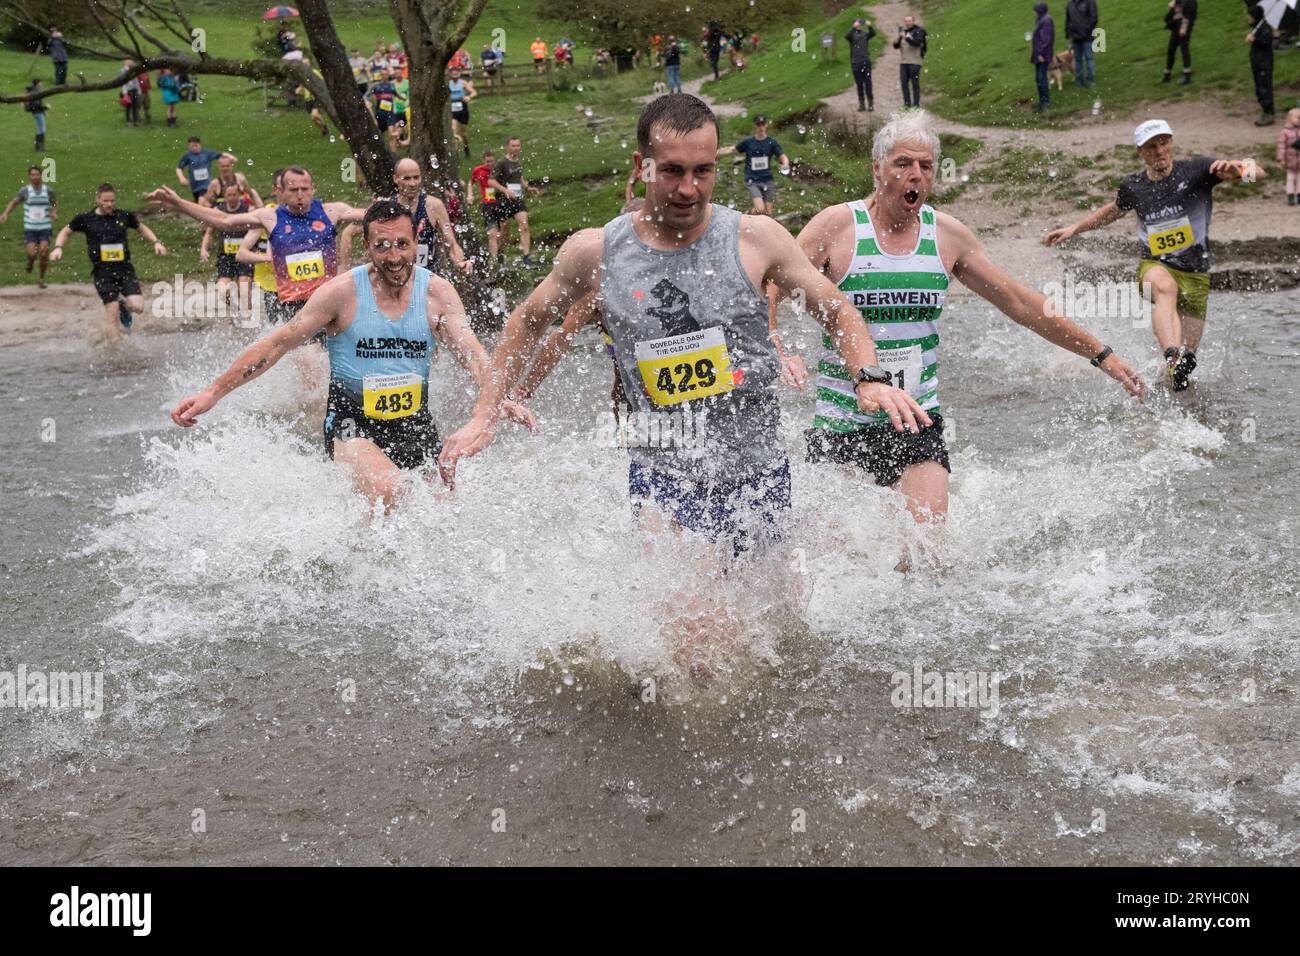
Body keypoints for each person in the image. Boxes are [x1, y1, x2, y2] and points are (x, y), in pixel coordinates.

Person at [439, 94, 924, 575]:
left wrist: (869, 376)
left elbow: (838, 309)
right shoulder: (598, 252)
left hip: (756, 471)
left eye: (704, 171)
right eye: (672, 171)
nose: (689, 188)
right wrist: (484, 413)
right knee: (693, 632)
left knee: (773, 635)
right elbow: (527, 321)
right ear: (642, 165)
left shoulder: (756, 239)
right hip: (661, 472)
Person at [800, 110, 1142, 531]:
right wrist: (777, 346)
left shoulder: (947, 236)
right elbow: (775, 284)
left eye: (926, 166)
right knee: (843, 563)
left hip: (915, 420)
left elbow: (1019, 302)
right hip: (843, 422)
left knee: (929, 554)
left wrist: (1099, 353)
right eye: (903, 164)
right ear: (877, 168)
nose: (916, 176)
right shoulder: (836, 226)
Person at [168, 200, 534, 510]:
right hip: (351, 425)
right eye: (382, 246)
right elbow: (278, 343)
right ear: (367, 246)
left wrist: (497, 398)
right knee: (391, 490)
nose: (394, 258)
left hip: (414, 423)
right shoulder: (341, 293)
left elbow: (471, 353)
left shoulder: (437, 293)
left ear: (416, 241)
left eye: (402, 245)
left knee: (441, 508)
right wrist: (213, 392)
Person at [1045, 119, 1264, 390]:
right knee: (1165, 289)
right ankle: (1170, 354)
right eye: (1151, 147)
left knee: (1185, 367)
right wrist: (1075, 228)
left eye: (1163, 143)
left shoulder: (1196, 171)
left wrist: (1240, 168)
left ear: (1171, 143)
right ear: (1140, 152)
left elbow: (1259, 173)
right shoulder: (1134, 186)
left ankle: (1161, 390)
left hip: (1197, 273)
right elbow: (1113, 210)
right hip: (1155, 265)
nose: (1159, 151)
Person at [148, 166, 370, 391]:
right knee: (311, 367)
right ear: (280, 190)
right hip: (295, 308)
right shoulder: (270, 216)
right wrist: (179, 204)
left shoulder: (333, 211)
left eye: (305, 189)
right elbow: (224, 220)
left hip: (330, 303)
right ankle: (312, 416)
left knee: (346, 366)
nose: (300, 195)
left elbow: (375, 217)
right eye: (293, 189)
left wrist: (399, 205)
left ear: (313, 188)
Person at [49, 183, 168, 339]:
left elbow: (142, 228)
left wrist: (156, 242)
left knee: (138, 307)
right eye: (106, 201)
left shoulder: (123, 216)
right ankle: (114, 354)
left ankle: (124, 306)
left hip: (125, 270)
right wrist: (58, 247)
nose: (109, 204)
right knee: (112, 315)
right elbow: (65, 231)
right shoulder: (86, 219)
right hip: (102, 273)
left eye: (112, 200)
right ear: (98, 199)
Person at [389, 157, 471, 274]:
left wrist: (460, 261)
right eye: (407, 178)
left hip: (425, 276)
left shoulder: (434, 206)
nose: (413, 183)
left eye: (416, 177)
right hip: (394, 276)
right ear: (396, 179)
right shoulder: (387, 206)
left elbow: (451, 243)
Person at [236, 169, 284, 327]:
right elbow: (241, 253)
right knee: (279, 332)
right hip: (272, 286)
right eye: (281, 187)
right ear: (275, 190)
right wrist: (266, 258)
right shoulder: (266, 215)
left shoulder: (308, 213)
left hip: (304, 285)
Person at [200, 181, 255, 318]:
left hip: (244, 256)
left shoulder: (247, 209)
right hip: (226, 257)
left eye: (234, 194)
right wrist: (204, 249)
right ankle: (234, 310)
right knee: (222, 290)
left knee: (244, 289)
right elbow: (209, 232)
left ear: (239, 195)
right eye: (229, 195)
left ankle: (247, 314)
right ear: (225, 196)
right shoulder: (219, 211)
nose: (232, 197)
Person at [717, 115, 790, 217]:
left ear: (766, 125)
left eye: (763, 124)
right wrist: (717, 153)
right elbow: (732, 149)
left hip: (767, 180)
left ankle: (749, 218)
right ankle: (747, 219)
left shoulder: (771, 143)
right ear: (754, 126)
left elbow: (783, 157)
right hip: (752, 180)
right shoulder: (748, 142)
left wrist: (785, 164)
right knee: (760, 209)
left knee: (768, 212)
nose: (761, 127)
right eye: (758, 124)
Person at [0, 165, 57, 288]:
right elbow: (14, 203)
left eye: (37, 174)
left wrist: (54, 212)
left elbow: (54, 203)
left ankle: (41, 279)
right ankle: (30, 263)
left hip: (44, 227)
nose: (35, 177)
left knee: (43, 252)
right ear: (29, 176)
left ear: (41, 175)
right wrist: (5, 214)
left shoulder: (48, 190)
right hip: (30, 228)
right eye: (33, 175)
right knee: (32, 254)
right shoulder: (25, 191)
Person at [488, 137, 540, 267]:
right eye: (513, 146)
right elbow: (491, 181)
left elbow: (519, 178)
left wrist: (528, 188)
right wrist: (505, 190)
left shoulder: (518, 162)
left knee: (524, 225)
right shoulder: (501, 163)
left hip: (517, 199)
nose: (516, 148)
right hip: (503, 200)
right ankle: (500, 252)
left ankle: (526, 257)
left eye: (518, 146)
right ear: (508, 146)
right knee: (505, 231)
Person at [468, 149, 502, 263]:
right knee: (492, 233)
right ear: (484, 161)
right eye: (487, 162)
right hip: (487, 203)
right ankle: (494, 260)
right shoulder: (478, 170)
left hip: (501, 203)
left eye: (491, 161)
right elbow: (471, 183)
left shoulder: (499, 169)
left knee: (502, 233)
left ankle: (500, 253)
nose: (490, 164)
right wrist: (470, 195)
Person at [175, 138, 233, 202]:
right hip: (195, 187)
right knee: (200, 202)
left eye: (196, 145)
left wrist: (230, 156)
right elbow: (179, 168)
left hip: (206, 186)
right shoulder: (188, 156)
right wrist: (181, 178)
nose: (194, 148)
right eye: (192, 146)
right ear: (189, 146)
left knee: (202, 200)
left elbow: (220, 154)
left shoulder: (206, 153)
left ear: (200, 145)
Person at [1246, 5, 1275, 127]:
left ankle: (1268, 113)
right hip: (1257, 64)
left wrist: (1254, 40)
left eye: (1249, 16)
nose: (1247, 17)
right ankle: (1265, 111)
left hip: (1264, 64)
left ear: (1255, 16)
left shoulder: (1265, 28)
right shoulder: (1257, 27)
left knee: (1264, 89)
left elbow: (1267, 42)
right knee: (1259, 89)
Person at [893, 16, 927, 109]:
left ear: (913, 21)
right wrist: (899, 38)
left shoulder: (919, 31)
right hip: (904, 62)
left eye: (910, 21)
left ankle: (916, 104)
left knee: (914, 82)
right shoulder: (904, 32)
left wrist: (906, 37)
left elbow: (916, 43)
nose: (908, 23)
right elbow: (896, 46)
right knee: (904, 83)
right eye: (906, 21)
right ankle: (906, 104)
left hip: (915, 61)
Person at [845, 18, 877, 112]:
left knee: (868, 83)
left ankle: (870, 104)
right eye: (856, 22)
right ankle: (862, 104)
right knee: (859, 84)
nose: (858, 24)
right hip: (855, 62)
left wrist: (870, 26)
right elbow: (846, 36)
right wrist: (852, 28)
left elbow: (873, 33)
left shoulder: (865, 34)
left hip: (865, 61)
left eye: (859, 23)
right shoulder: (851, 35)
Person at [368, 69, 403, 154]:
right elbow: (366, 96)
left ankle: (393, 154)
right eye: (383, 74)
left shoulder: (391, 85)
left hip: (390, 114)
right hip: (379, 114)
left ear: (388, 75)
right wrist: (369, 101)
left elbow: (398, 95)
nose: (384, 76)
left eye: (386, 75)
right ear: (380, 75)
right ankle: (380, 153)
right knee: (378, 136)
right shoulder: (376, 86)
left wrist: (404, 100)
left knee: (392, 135)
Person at [1065, 0, 1098, 88]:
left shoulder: (1090, 2)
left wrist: (1087, 31)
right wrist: (1068, 34)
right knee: (1078, 60)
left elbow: (1094, 18)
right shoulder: (1070, 4)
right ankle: (1079, 81)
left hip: (1087, 37)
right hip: (1075, 38)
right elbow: (1068, 21)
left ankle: (1090, 81)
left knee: (1089, 58)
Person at [296, 57, 332, 137]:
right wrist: (299, 89)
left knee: (315, 115)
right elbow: (302, 84)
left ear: (309, 64)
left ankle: (325, 126)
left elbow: (321, 81)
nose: (305, 65)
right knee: (313, 119)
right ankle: (323, 129)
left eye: (307, 63)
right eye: (304, 64)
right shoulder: (301, 74)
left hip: (316, 97)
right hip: (308, 98)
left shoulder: (314, 72)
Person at [1163, 0, 1196, 85]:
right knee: (1171, 49)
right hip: (1176, 28)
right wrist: (1171, 7)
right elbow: (1171, 15)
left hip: (1183, 28)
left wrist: (1184, 27)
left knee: (1184, 49)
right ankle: (1167, 75)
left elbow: (1191, 14)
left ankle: (1187, 76)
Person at [448, 66, 477, 158]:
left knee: (464, 134)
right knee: (454, 131)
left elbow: (474, 92)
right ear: (450, 75)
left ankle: (466, 147)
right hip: (452, 109)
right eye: (453, 74)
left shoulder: (463, 83)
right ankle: (455, 153)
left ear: (459, 74)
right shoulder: (448, 84)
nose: (455, 75)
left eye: (457, 74)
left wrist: (469, 97)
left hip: (463, 108)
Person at [1031, 3, 1055, 114]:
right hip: (1038, 55)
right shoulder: (1041, 20)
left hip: (1042, 55)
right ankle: (1042, 102)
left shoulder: (1046, 21)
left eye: (1035, 10)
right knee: (1038, 79)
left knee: (1042, 79)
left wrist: (1041, 53)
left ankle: (1045, 103)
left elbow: (1046, 39)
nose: (1034, 12)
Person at [1278, 108, 1300, 206]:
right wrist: (1281, 158)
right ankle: (1290, 195)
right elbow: (1281, 146)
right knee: (1290, 177)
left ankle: (1299, 195)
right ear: (1289, 118)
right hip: (1290, 158)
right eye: (1297, 117)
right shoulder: (1285, 132)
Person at [24, 79, 47, 152]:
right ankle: (39, 147)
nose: (41, 84)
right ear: (37, 84)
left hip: (37, 112)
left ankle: (39, 147)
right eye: (40, 83)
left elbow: (37, 104)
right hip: (37, 112)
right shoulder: (35, 93)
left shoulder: (34, 92)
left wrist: (43, 111)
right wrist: (46, 108)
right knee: (41, 130)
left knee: (41, 129)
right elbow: (36, 105)